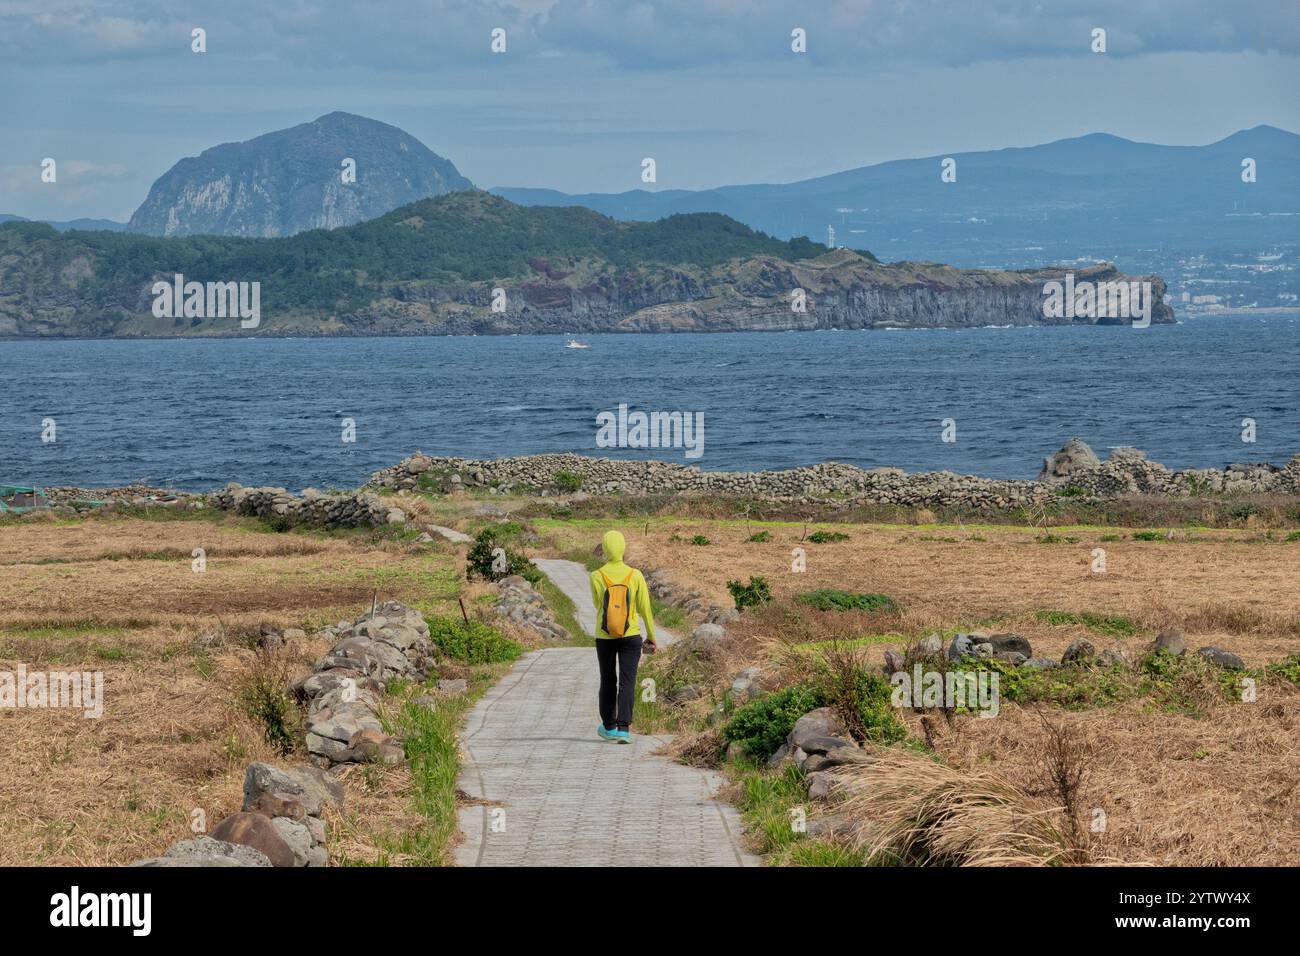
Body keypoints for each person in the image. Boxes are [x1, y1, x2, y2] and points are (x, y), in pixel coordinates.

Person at [589, 529, 656, 743]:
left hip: (604, 636)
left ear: (605, 549)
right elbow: (645, 608)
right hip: (631, 635)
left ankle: (608, 726)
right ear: (623, 548)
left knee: (607, 679)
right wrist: (651, 635)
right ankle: (624, 729)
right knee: (627, 681)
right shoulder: (635, 575)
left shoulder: (596, 576)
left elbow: (598, 605)